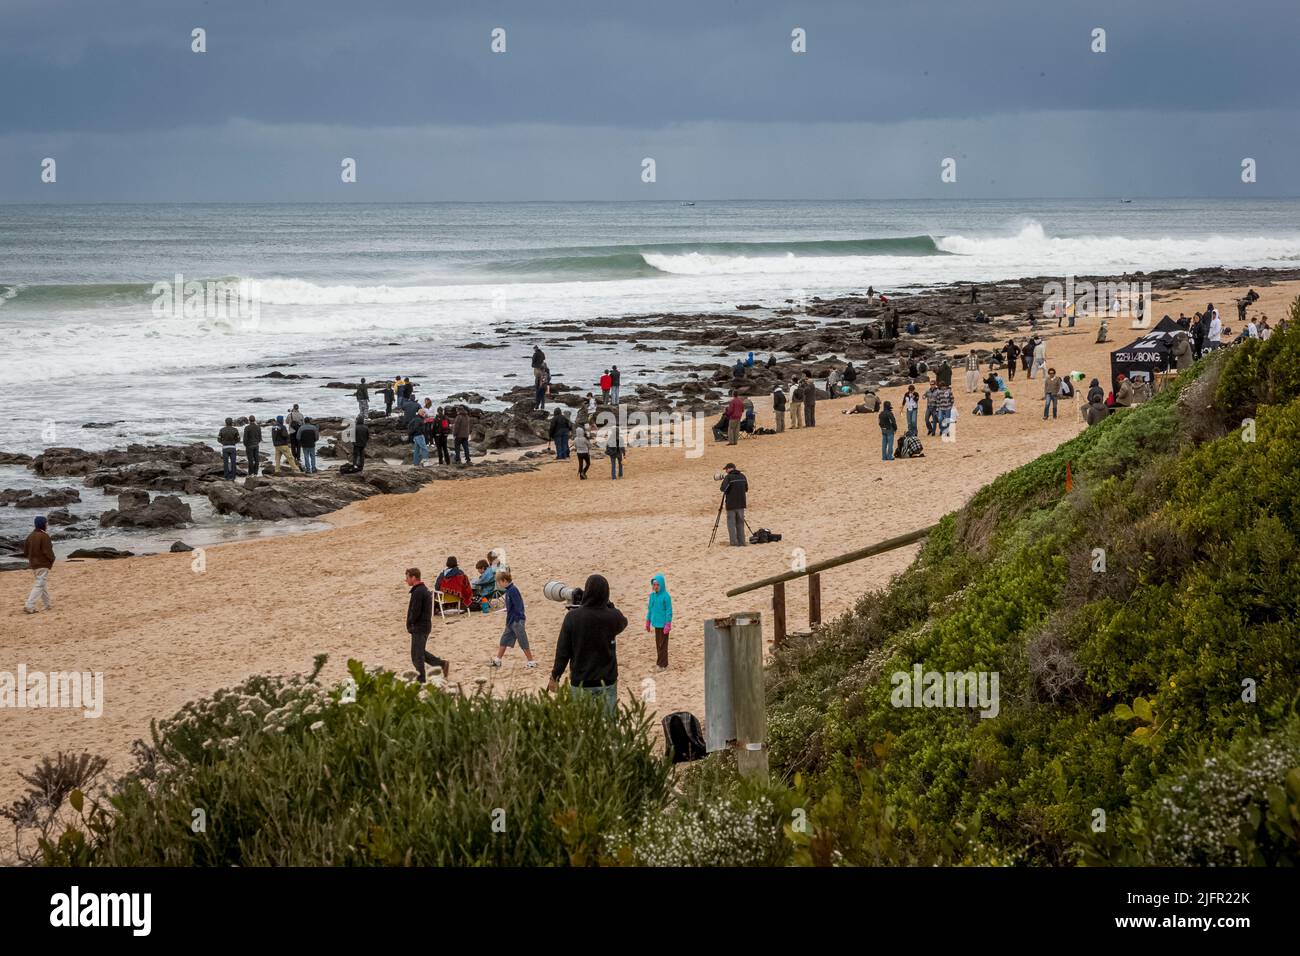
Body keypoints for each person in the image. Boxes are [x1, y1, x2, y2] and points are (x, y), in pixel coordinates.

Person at [548, 574, 627, 715]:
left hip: (581, 682)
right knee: (609, 727)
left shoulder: (573, 617)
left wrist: (555, 676)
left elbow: (563, 651)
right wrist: (607, 604)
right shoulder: (612, 617)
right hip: (607, 682)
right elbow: (622, 620)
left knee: (581, 728)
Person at [405, 568, 449, 683]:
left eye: (407, 577)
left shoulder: (419, 591)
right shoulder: (421, 590)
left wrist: (411, 623)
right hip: (422, 627)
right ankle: (441, 664)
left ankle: (421, 679)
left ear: (413, 578)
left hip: (420, 627)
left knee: (417, 656)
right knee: (419, 652)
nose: (406, 580)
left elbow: (415, 611)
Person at [490, 571, 537, 668]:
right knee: (504, 639)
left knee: (522, 640)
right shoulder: (508, 590)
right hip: (511, 621)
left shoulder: (513, 590)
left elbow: (519, 606)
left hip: (516, 620)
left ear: (504, 580)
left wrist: (517, 618)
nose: (499, 584)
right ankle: (498, 660)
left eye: (499, 582)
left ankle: (531, 661)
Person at [22, 515, 55, 614]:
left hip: (33, 564)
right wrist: (52, 560)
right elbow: (47, 551)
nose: (47, 525)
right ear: (42, 524)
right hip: (43, 564)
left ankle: (47, 605)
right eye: (46, 523)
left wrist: (31, 559)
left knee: (41, 584)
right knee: (39, 584)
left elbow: (25, 552)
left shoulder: (30, 536)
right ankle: (29, 605)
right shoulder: (44, 536)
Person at [645, 573, 673, 670]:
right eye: (654, 584)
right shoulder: (652, 596)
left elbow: (669, 611)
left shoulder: (666, 596)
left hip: (664, 625)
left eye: (657, 584)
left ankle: (662, 665)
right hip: (656, 624)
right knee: (658, 645)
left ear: (662, 585)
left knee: (663, 645)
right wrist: (648, 621)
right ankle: (661, 664)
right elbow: (650, 609)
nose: (655, 586)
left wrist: (668, 624)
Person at [720, 462, 748, 547]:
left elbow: (723, 489)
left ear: (729, 469)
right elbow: (746, 489)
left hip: (731, 505)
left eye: (726, 469)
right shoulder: (743, 476)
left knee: (731, 524)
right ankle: (742, 542)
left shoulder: (728, 477)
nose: (726, 471)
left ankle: (734, 543)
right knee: (740, 523)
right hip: (741, 504)